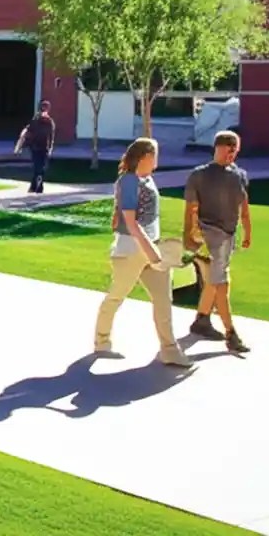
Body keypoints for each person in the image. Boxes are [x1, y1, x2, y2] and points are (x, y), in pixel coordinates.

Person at [93, 138, 193, 368]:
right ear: (146, 156)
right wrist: (151, 251)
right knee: (116, 296)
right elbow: (130, 222)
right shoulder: (129, 181)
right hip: (131, 250)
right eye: (155, 154)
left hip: (151, 247)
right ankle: (101, 341)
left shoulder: (146, 178)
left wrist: (154, 248)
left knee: (163, 299)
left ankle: (170, 350)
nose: (157, 159)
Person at [182, 130, 252, 353]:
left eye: (235, 150)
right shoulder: (199, 175)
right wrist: (188, 236)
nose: (231, 153)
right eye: (228, 148)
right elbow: (190, 209)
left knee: (214, 282)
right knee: (222, 283)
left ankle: (202, 320)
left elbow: (244, 206)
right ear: (217, 147)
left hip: (228, 236)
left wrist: (247, 231)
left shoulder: (239, 175)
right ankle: (231, 333)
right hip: (208, 236)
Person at [17, 100, 56, 194]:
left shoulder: (36, 120)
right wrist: (50, 147)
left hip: (36, 147)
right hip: (42, 147)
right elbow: (51, 136)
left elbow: (28, 132)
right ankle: (38, 185)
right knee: (41, 166)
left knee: (37, 166)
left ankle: (35, 186)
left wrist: (21, 145)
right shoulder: (49, 121)